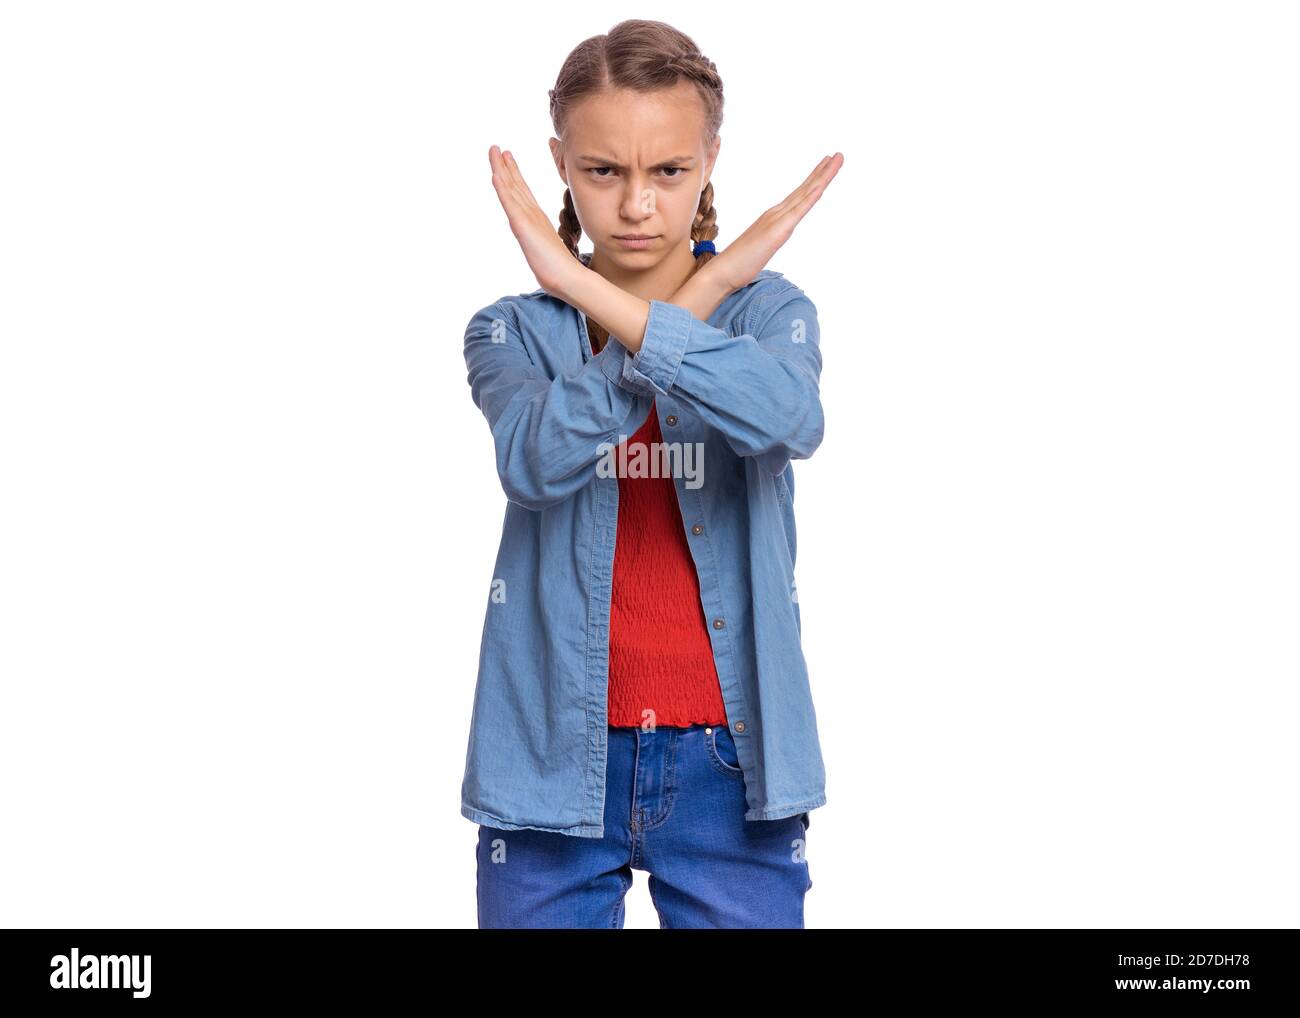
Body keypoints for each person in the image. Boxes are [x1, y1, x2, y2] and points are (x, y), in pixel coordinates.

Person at [462, 18, 843, 928]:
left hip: (732, 767)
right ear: (560, 163)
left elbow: (791, 422)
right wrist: (680, 302)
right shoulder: (511, 331)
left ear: (710, 159)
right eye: (604, 171)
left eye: (668, 171)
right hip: (550, 760)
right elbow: (533, 461)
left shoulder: (768, 310)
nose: (638, 206)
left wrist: (645, 295)